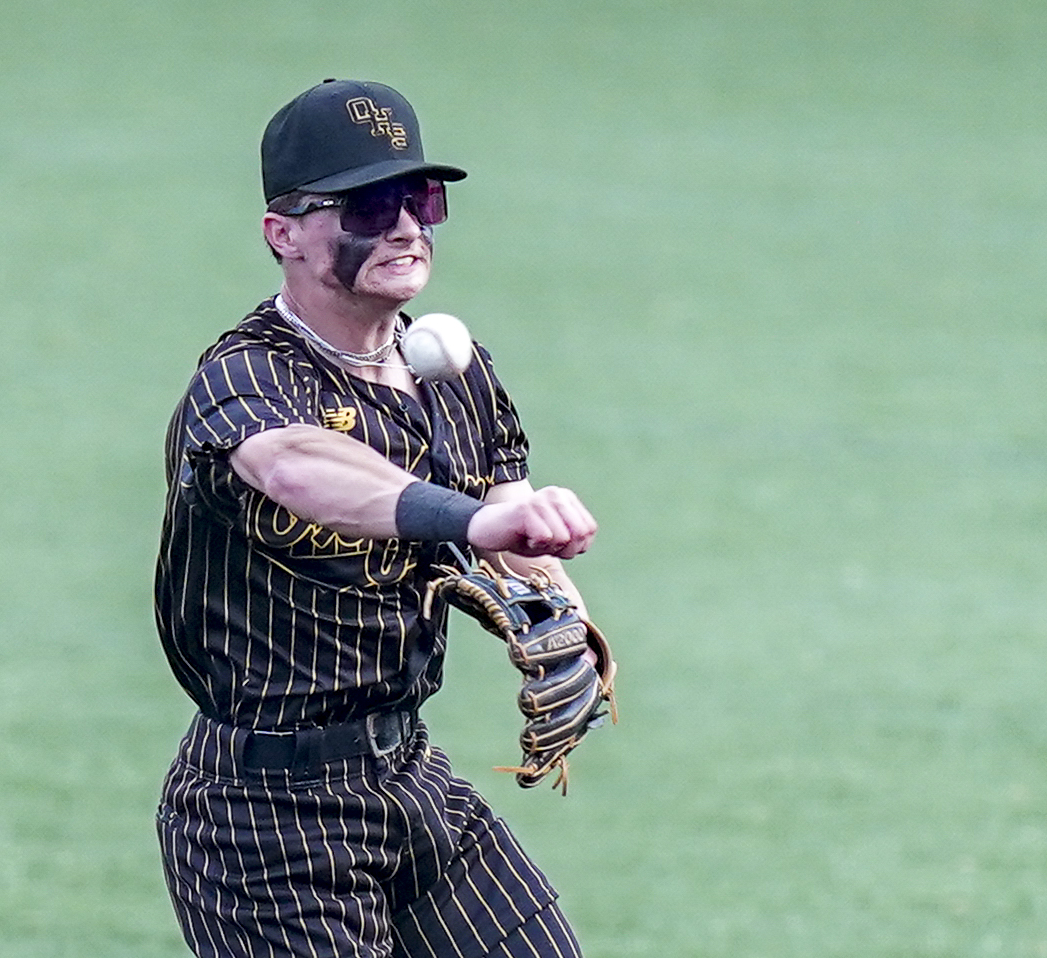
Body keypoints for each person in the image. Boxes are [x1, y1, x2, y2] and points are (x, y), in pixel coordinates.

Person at [154, 78, 600, 958]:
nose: (403, 228)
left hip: (408, 779)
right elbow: (298, 466)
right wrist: (468, 523)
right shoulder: (244, 377)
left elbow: (508, 522)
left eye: (418, 200)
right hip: (263, 820)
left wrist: (562, 613)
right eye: (365, 207)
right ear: (282, 233)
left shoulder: (460, 376)